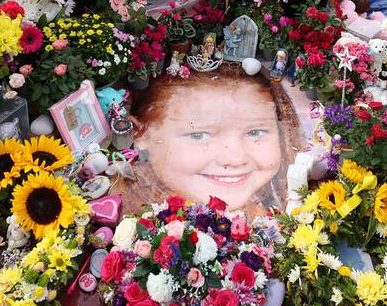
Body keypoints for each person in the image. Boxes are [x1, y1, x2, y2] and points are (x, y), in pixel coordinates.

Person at [125, 66, 304, 216]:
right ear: (140, 133)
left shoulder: (287, 219)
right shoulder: (129, 234)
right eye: (199, 135)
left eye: (255, 132)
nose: (234, 159)